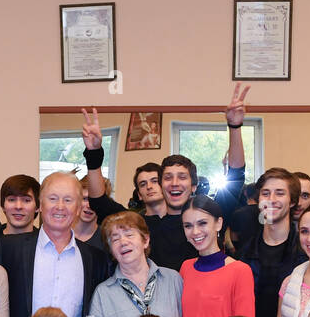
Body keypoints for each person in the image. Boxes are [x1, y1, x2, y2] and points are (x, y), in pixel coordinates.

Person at [82, 88, 251, 270]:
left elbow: (236, 176)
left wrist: (234, 127)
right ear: (162, 186)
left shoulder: (206, 219)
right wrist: (94, 154)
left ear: (193, 186)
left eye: (182, 177)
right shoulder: (141, 226)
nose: (175, 183)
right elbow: (98, 201)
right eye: (168, 178)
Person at [0, 174, 106, 317]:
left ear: (79, 207)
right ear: (40, 204)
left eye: (68, 199)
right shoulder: (9, 249)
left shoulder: (95, 259)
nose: (60, 207)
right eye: (53, 198)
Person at [234, 168, 306, 317]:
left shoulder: (305, 255)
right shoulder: (243, 255)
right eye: (266, 193)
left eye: (280, 193)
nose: (271, 199)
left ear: (293, 201)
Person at [0, 174, 40, 238]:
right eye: (11, 200)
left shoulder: (46, 244)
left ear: (37, 207)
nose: (18, 206)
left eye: (26, 200)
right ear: (3, 205)